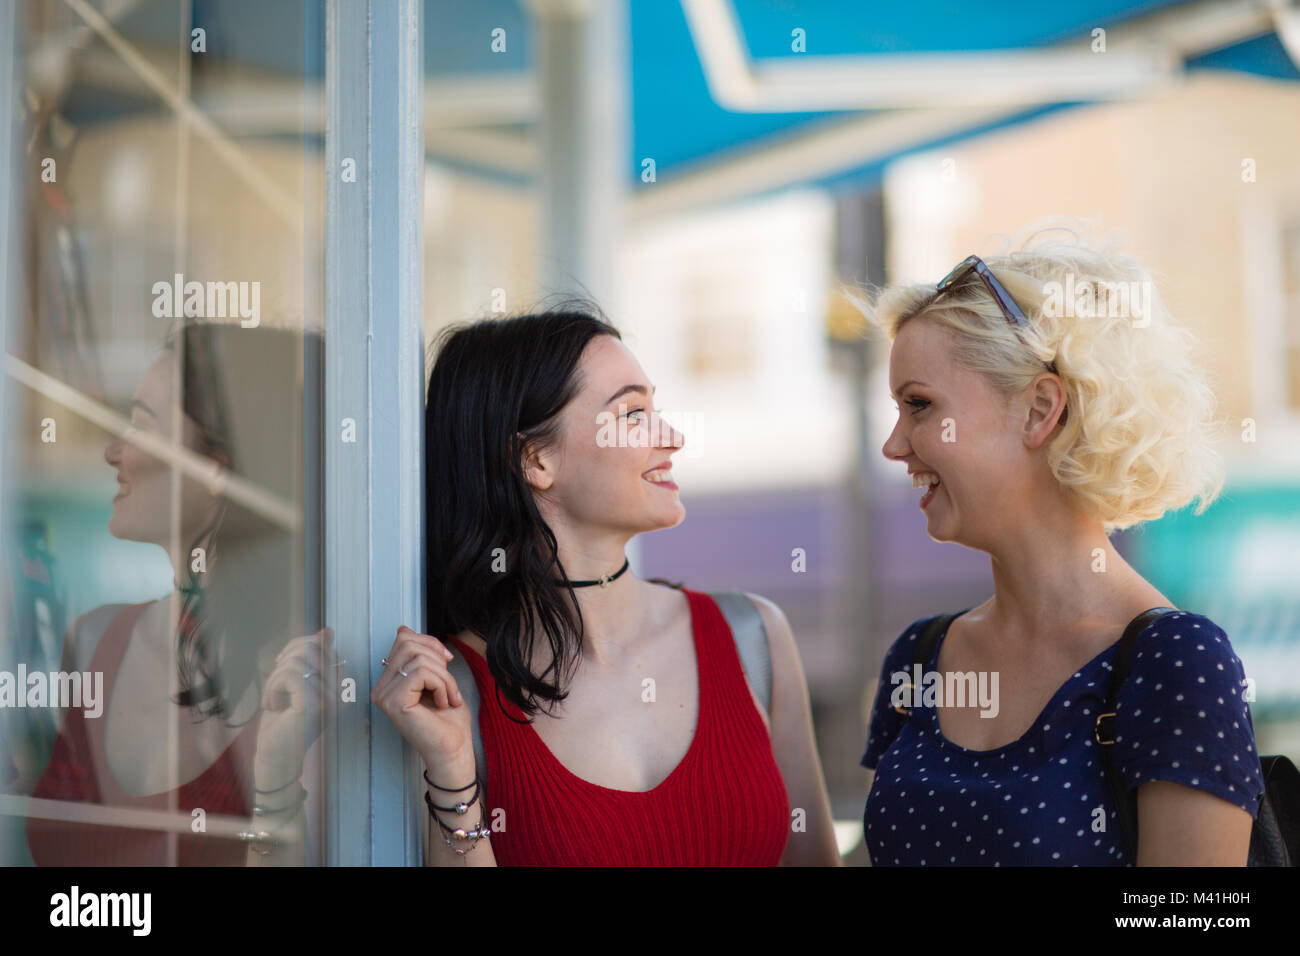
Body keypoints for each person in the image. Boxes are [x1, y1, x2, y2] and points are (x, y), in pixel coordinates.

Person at [371, 305, 840, 866]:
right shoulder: (450, 696)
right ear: (534, 458)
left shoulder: (752, 637)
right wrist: (451, 776)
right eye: (633, 413)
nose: (673, 437)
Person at [856, 229, 1265, 866]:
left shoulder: (1174, 661)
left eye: (919, 406)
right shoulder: (920, 654)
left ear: (1040, 409)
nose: (895, 444)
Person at [24, 322, 327, 866]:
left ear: (216, 470)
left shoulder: (303, 680)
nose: (114, 452)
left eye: (141, 425)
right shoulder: (95, 641)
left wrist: (278, 796)